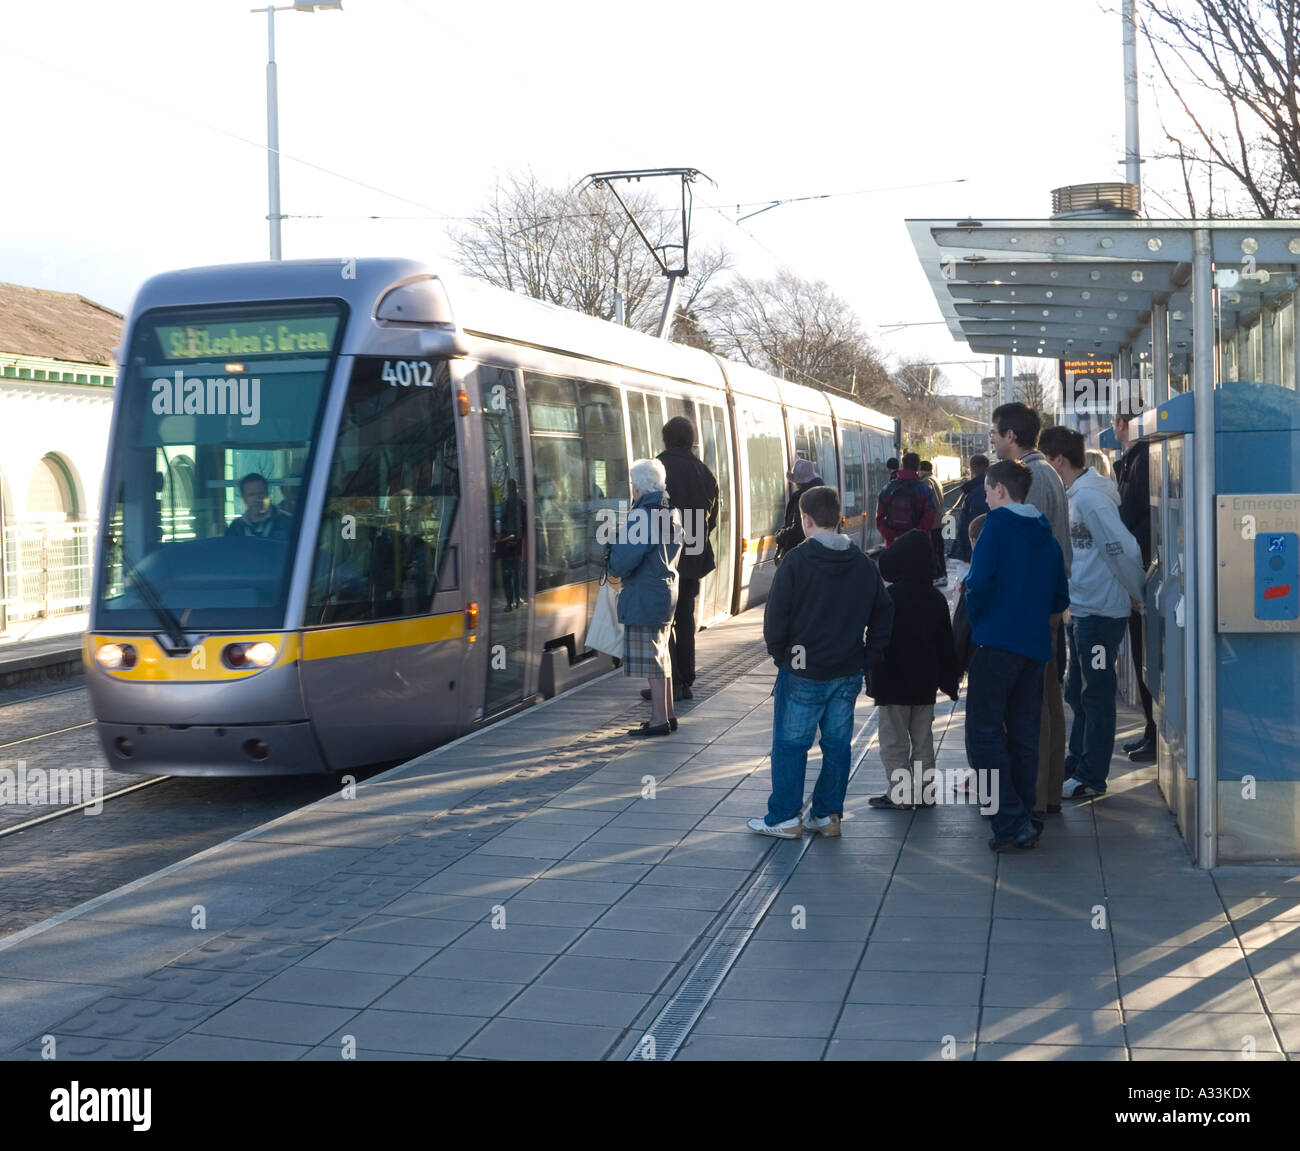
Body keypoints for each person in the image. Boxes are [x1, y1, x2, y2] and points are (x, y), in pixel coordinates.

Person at [749, 485, 894, 838]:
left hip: (802, 670)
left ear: (806, 520)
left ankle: (784, 817)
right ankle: (828, 815)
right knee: (837, 745)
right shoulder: (862, 563)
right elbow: (883, 613)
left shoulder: (796, 561)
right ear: (839, 519)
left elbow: (776, 617)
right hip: (846, 671)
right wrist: (867, 656)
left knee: (791, 744)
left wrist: (782, 655)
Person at [964, 459, 1069, 850]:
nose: (986, 498)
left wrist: (982, 623)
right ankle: (1026, 817)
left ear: (1001, 490)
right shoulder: (1046, 535)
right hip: (1036, 648)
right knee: (1026, 733)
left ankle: (1008, 819)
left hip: (996, 645)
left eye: (988, 491)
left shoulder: (996, 529)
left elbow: (977, 584)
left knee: (983, 735)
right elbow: (1060, 595)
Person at [1040, 427, 1145, 800]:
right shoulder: (1078, 494)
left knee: (1095, 694)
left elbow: (1124, 550)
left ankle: (1091, 776)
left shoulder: (1090, 499)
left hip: (1100, 613)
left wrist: (1137, 593)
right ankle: (1078, 762)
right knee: (1078, 693)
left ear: (1058, 461)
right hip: (1083, 609)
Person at [989, 403, 1072, 817]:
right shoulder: (1049, 474)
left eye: (995, 432)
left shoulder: (1031, 477)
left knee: (1031, 706)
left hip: (1031, 611)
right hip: (1046, 607)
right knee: (1048, 701)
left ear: (1011, 436)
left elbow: (1025, 550)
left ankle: (1034, 795)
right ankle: (1048, 791)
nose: (990, 438)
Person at [865, 529, 960, 810]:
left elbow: (876, 641)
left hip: (892, 685)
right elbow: (946, 643)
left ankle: (901, 794)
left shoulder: (888, 598)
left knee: (894, 742)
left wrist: (870, 676)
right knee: (923, 741)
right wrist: (949, 681)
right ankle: (924, 792)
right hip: (924, 685)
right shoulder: (936, 599)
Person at [608, 459, 682, 738]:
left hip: (645, 594)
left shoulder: (644, 515)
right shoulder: (670, 511)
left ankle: (658, 720)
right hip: (665, 590)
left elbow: (623, 560)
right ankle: (669, 714)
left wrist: (611, 558)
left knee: (652, 659)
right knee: (662, 653)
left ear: (637, 486)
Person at [648, 416, 719, 702]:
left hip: (662, 555)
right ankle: (685, 680)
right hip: (692, 555)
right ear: (691, 439)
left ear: (666, 438)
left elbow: (645, 512)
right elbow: (711, 517)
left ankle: (667, 681)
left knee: (661, 620)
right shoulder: (703, 471)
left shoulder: (657, 468)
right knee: (685, 618)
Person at [1113, 404, 1156, 763]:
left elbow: (1139, 518)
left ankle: (1155, 732)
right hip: (1140, 568)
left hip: (1142, 570)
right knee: (1144, 656)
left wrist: (1130, 553)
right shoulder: (1133, 460)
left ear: (1124, 424)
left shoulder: (1141, 460)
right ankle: (1151, 730)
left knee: (1147, 656)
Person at [875, 452, 937, 546]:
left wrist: (891, 535)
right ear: (918, 467)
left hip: (893, 544)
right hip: (917, 545)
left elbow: (879, 517)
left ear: (902, 466)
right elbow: (930, 516)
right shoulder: (924, 490)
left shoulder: (888, 488)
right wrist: (916, 535)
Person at [775, 458, 823, 564]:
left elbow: (798, 529)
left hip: (801, 555)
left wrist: (781, 535)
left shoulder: (804, 498)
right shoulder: (820, 493)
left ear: (799, 482)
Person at [226, 473, 293, 540]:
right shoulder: (235, 528)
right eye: (251, 495)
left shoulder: (288, 523)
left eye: (261, 493)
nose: (257, 499)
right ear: (244, 498)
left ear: (268, 494)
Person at [951, 455, 990, 564]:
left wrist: (967, 550)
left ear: (971, 470)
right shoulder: (984, 488)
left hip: (972, 552)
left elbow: (976, 524)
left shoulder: (978, 492)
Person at [497, 478, 526, 611]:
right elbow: (525, 525)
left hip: (507, 544)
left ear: (510, 490)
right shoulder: (521, 504)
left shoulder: (506, 504)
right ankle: (517, 600)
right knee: (517, 573)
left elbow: (501, 525)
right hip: (518, 544)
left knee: (508, 574)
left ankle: (510, 603)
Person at [917, 460, 948, 584]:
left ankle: (938, 575)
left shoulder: (926, 481)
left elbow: (925, 495)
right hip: (939, 521)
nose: (917, 473)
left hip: (932, 523)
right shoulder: (935, 479)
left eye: (918, 470)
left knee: (934, 550)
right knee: (939, 550)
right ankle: (943, 575)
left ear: (922, 470)